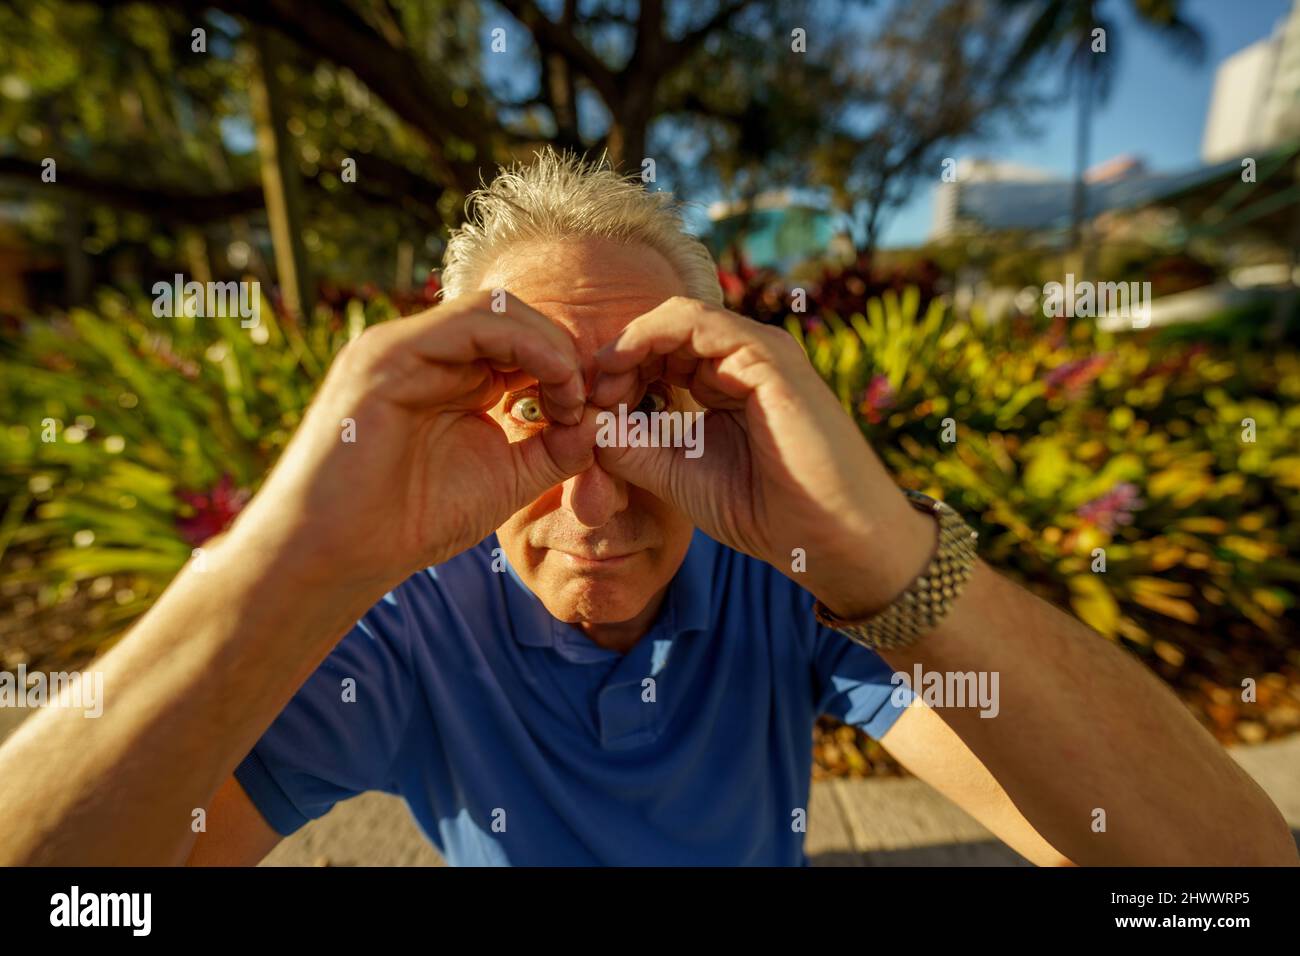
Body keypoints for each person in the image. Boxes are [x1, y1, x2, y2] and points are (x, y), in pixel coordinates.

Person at [0, 150, 1294, 866]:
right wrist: (285, 564)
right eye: (533, 405)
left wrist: (885, 551)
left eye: (650, 405)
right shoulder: (406, 625)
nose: (596, 486)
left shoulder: (779, 575)